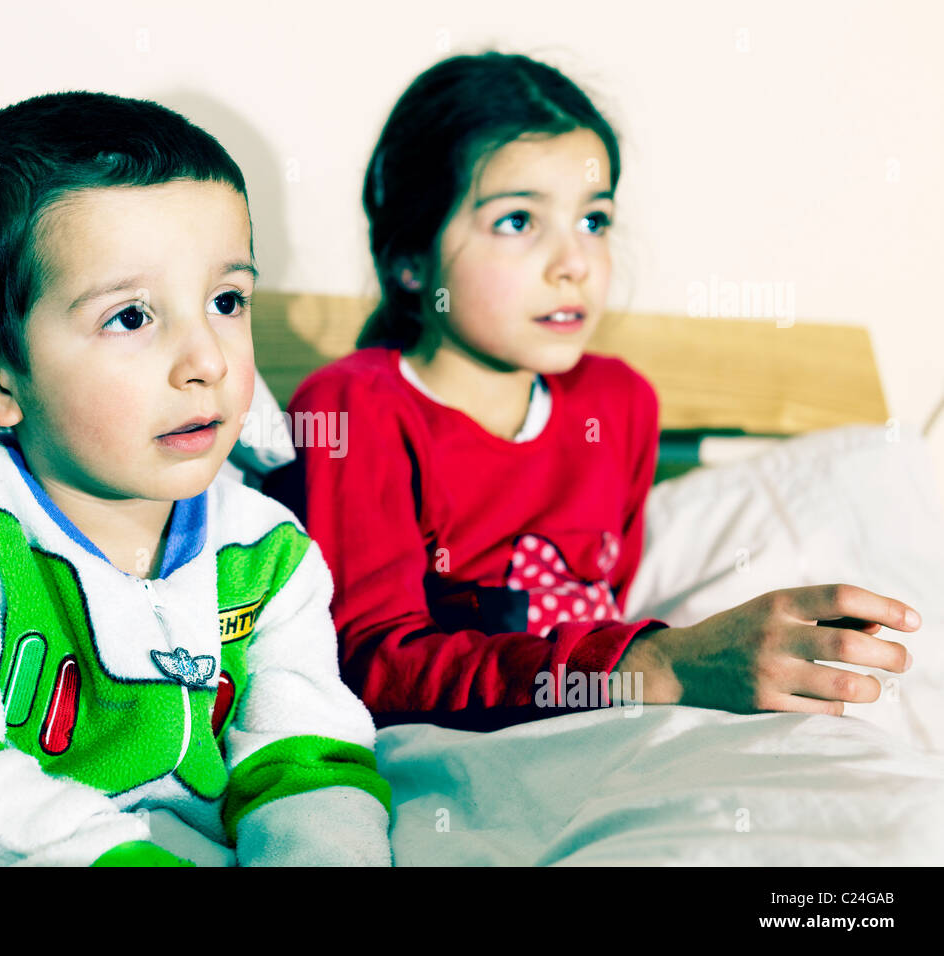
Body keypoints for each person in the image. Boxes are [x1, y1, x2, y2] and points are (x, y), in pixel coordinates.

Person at [0, 91, 392, 866]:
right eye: (131, 318)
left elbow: (307, 764)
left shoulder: (269, 553)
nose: (207, 361)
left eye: (226, 300)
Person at [265, 52, 920, 731]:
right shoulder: (357, 405)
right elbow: (374, 665)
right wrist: (654, 665)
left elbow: (603, 603)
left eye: (595, 220)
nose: (574, 264)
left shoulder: (618, 404)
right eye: (518, 222)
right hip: (477, 741)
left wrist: (654, 669)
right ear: (409, 259)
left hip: (614, 719)